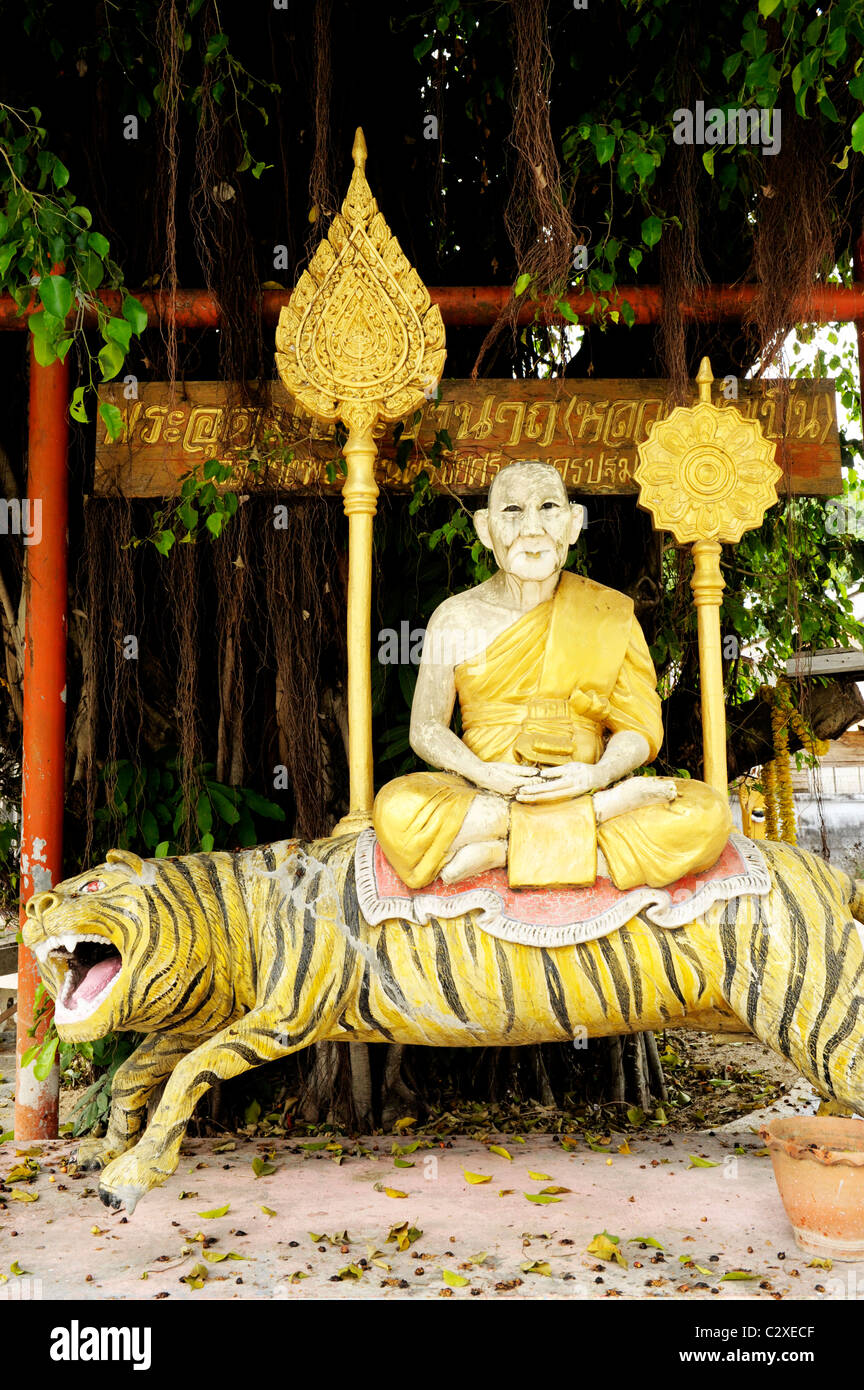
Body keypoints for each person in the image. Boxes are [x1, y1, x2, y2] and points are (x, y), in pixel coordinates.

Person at [373, 460, 732, 891]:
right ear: (485, 529)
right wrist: (486, 774)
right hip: (487, 794)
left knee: (707, 813)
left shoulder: (608, 613)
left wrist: (597, 777)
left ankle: (505, 849)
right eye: (512, 512)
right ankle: (587, 832)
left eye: (547, 508)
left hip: (582, 786)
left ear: (574, 522)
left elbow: (637, 728)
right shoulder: (455, 617)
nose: (532, 528)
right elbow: (426, 729)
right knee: (397, 808)